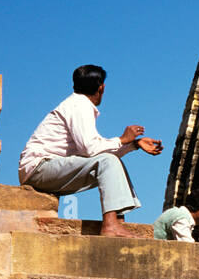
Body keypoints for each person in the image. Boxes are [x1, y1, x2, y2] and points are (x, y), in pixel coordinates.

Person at [19, 64, 162, 238]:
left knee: (109, 161)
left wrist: (134, 145)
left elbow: (96, 153)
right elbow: (90, 149)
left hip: (47, 169)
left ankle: (118, 222)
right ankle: (111, 225)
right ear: (102, 87)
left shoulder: (78, 104)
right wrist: (122, 139)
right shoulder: (79, 105)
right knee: (108, 162)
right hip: (40, 168)